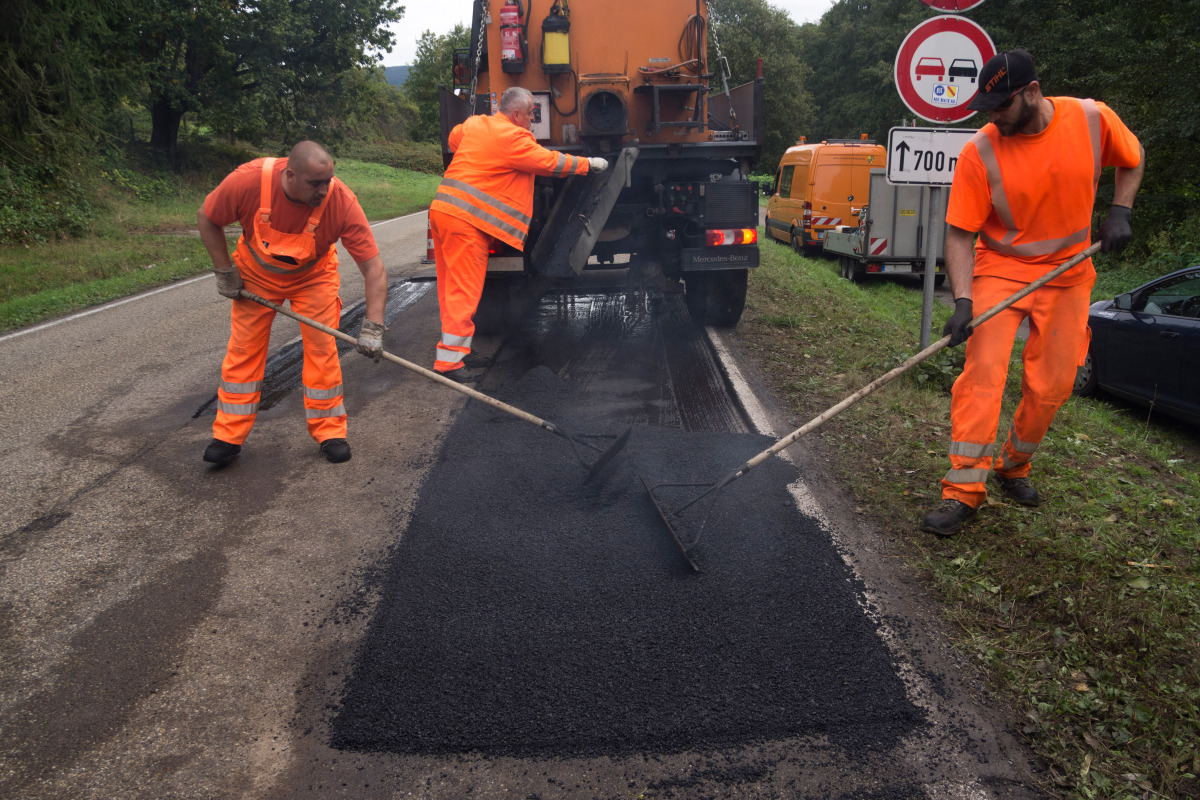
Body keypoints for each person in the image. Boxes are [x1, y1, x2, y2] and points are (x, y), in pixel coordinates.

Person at [921, 49, 1144, 536]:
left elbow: (1133, 157)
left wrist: (1120, 210)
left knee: (1054, 385)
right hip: (1001, 268)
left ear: (1032, 92)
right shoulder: (980, 151)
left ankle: (1013, 465)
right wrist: (963, 300)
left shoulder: (1091, 119)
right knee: (983, 374)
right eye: (988, 108)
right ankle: (963, 490)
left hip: (1069, 271)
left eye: (1001, 106)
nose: (994, 117)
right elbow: (960, 232)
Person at [197, 140, 388, 466]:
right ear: (290, 176)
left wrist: (373, 327)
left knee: (322, 350)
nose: (323, 190)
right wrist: (224, 271)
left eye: (328, 181)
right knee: (244, 350)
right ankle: (228, 435)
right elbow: (207, 217)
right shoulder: (248, 181)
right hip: (255, 276)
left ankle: (330, 432)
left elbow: (374, 268)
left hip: (314, 278)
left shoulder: (341, 201)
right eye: (315, 183)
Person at [427, 86, 609, 381]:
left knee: (452, 289)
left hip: (444, 212)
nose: (532, 120)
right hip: (467, 223)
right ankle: (449, 363)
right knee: (464, 292)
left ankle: (457, 351)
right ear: (515, 114)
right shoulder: (514, 138)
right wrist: (588, 165)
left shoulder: (476, 124)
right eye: (530, 114)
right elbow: (550, 163)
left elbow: (453, 138)